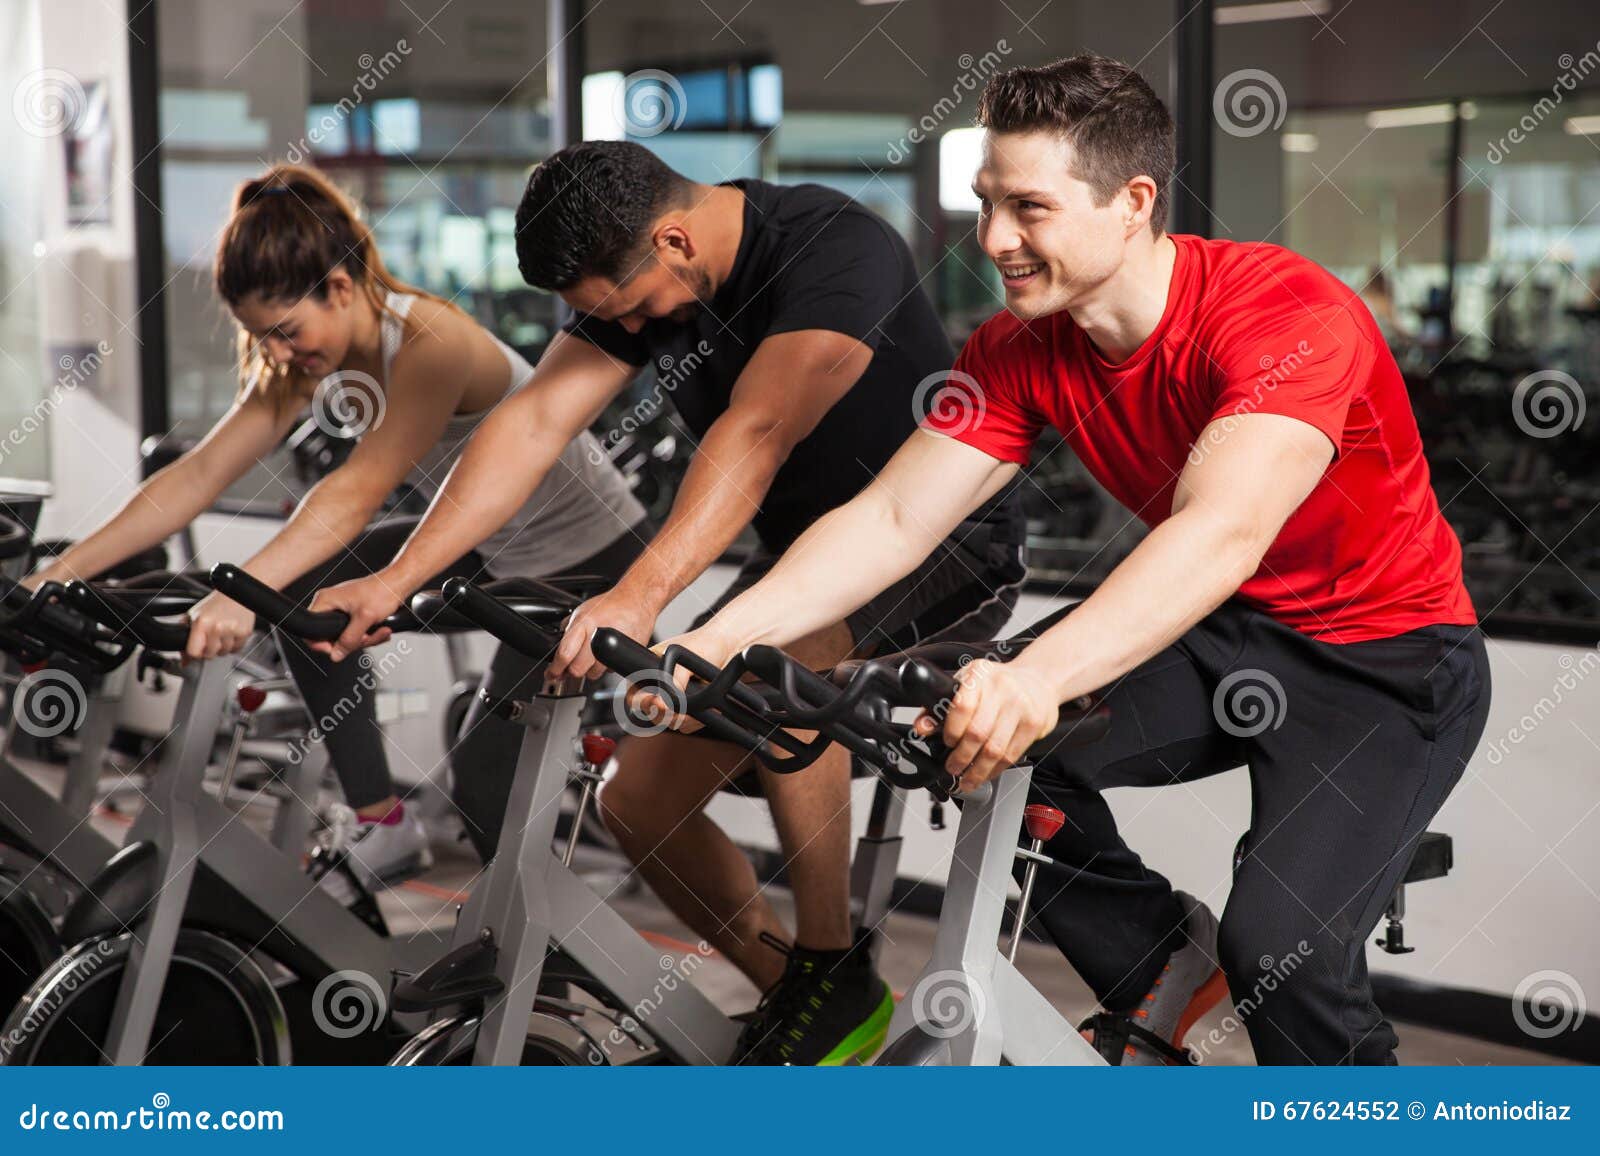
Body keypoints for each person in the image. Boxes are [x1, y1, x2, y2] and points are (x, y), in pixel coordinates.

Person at [663, 55, 1490, 1066]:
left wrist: (1038, 675)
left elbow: (1218, 531)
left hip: (1387, 662)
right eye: (985, 202)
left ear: (1132, 201)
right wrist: (714, 634)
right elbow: (887, 517)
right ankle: (1157, 971)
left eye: (1028, 208)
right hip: (1222, 631)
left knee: (1283, 950)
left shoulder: (1284, 314)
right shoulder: (1021, 348)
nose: (994, 238)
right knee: (972, 743)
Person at [309, 140, 1028, 1065]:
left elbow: (756, 432)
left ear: (676, 240)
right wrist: (391, 580)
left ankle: (829, 963)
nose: (637, 330)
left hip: (945, 552)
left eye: (635, 307)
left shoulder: (837, 249)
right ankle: (802, 1003)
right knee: (638, 799)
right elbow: (532, 422)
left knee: (783, 675)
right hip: (801, 567)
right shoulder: (647, 274)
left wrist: (638, 596)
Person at [28, 163, 650, 889]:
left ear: (341, 287)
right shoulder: (303, 356)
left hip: (592, 560)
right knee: (306, 594)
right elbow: (196, 476)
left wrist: (240, 595)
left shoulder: (428, 343)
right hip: (487, 545)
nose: (279, 354)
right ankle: (383, 821)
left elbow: (355, 493)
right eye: (263, 338)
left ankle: (554, 953)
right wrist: (56, 575)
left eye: (286, 331)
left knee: (484, 782)